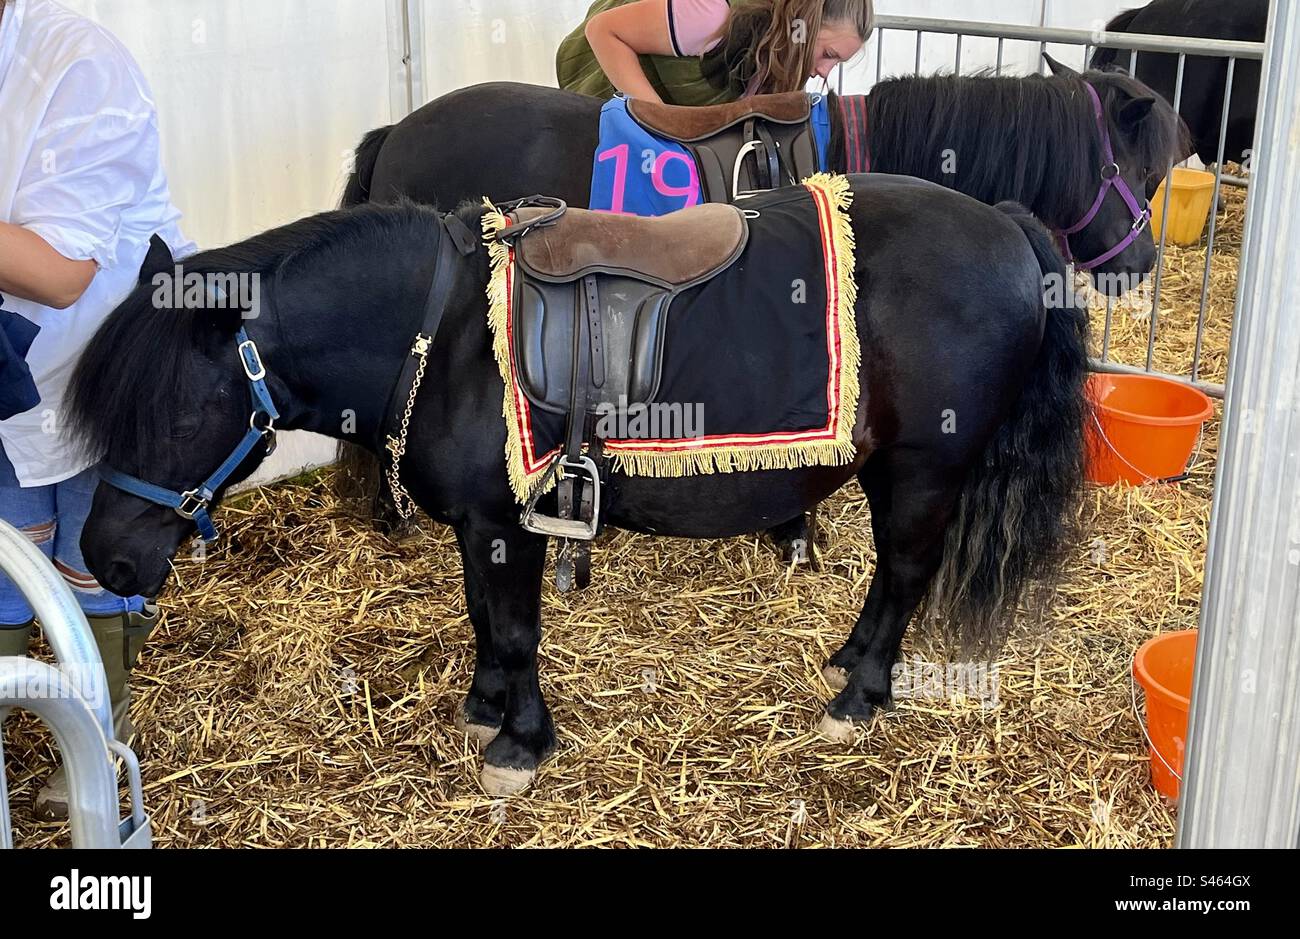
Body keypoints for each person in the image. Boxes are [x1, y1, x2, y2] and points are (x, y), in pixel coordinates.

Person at [0, 0, 194, 820]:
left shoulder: (78, 63)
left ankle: (98, 742)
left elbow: (59, 272)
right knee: (9, 553)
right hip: (11, 360)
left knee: (96, 556)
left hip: (105, 351)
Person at [558, 0, 874, 106]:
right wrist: (659, 122)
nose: (824, 71)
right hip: (591, 104)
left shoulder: (779, 53)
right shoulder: (713, 16)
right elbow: (603, 30)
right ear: (806, 24)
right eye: (829, 54)